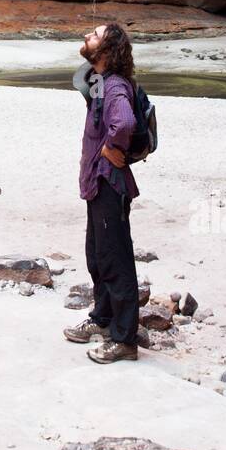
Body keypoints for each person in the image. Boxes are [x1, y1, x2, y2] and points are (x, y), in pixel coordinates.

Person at [64, 22, 140, 364]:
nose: (85, 36)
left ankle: (124, 340)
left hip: (110, 183)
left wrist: (112, 147)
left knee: (115, 260)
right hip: (98, 183)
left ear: (107, 50)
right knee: (98, 256)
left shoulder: (115, 88)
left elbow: (124, 123)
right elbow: (82, 76)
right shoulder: (102, 83)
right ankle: (103, 319)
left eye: (93, 35)